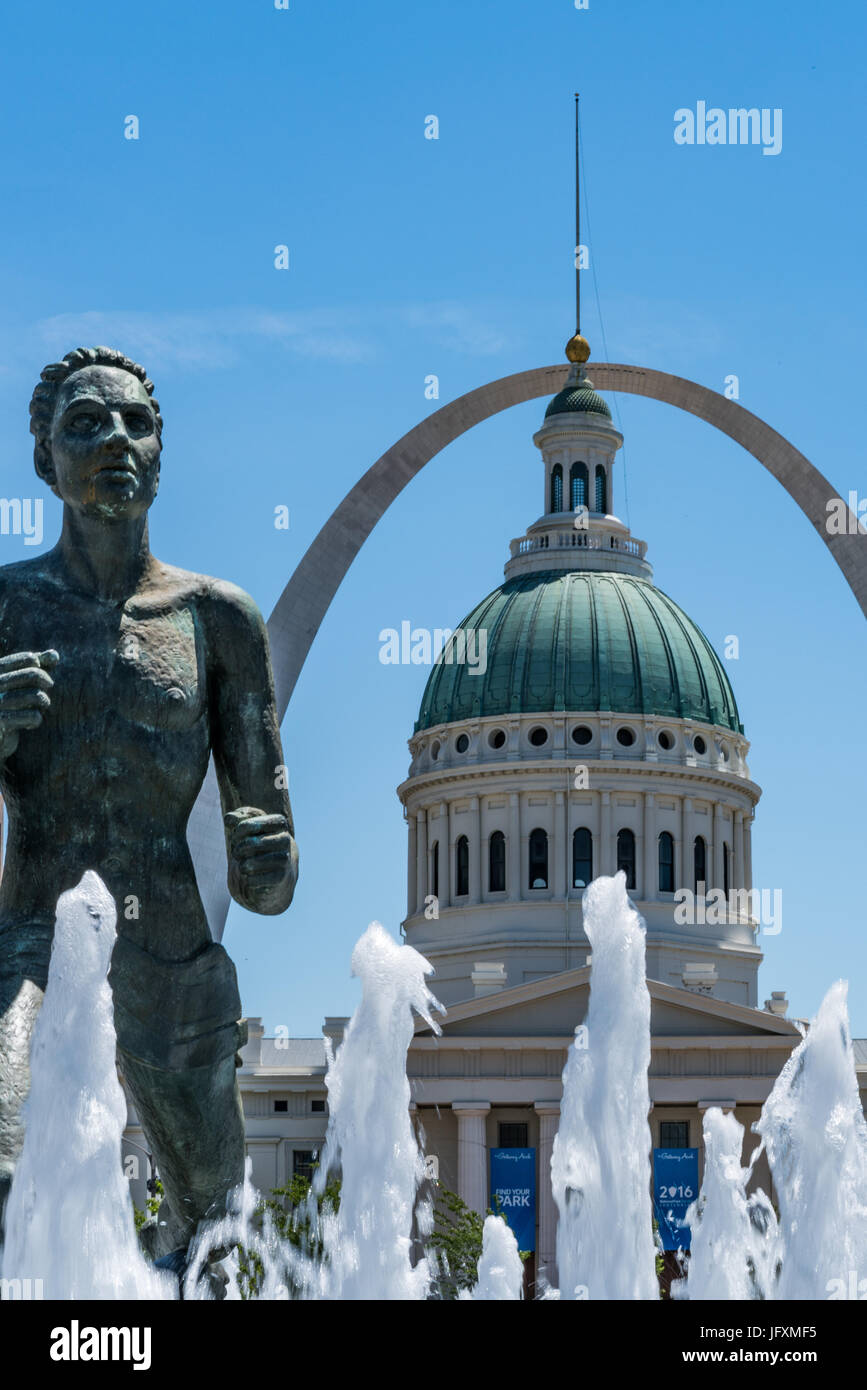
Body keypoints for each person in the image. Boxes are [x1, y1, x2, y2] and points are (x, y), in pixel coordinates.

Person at [0, 346, 298, 1281]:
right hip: (31, 946)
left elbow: (272, 876)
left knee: (222, 1233)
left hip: (173, 959)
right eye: (85, 424)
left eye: (135, 422)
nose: (115, 440)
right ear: (45, 460)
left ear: (162, 455)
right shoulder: (5, 608)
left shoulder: (218, 620)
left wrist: (268, 859)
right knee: (6, 1168)